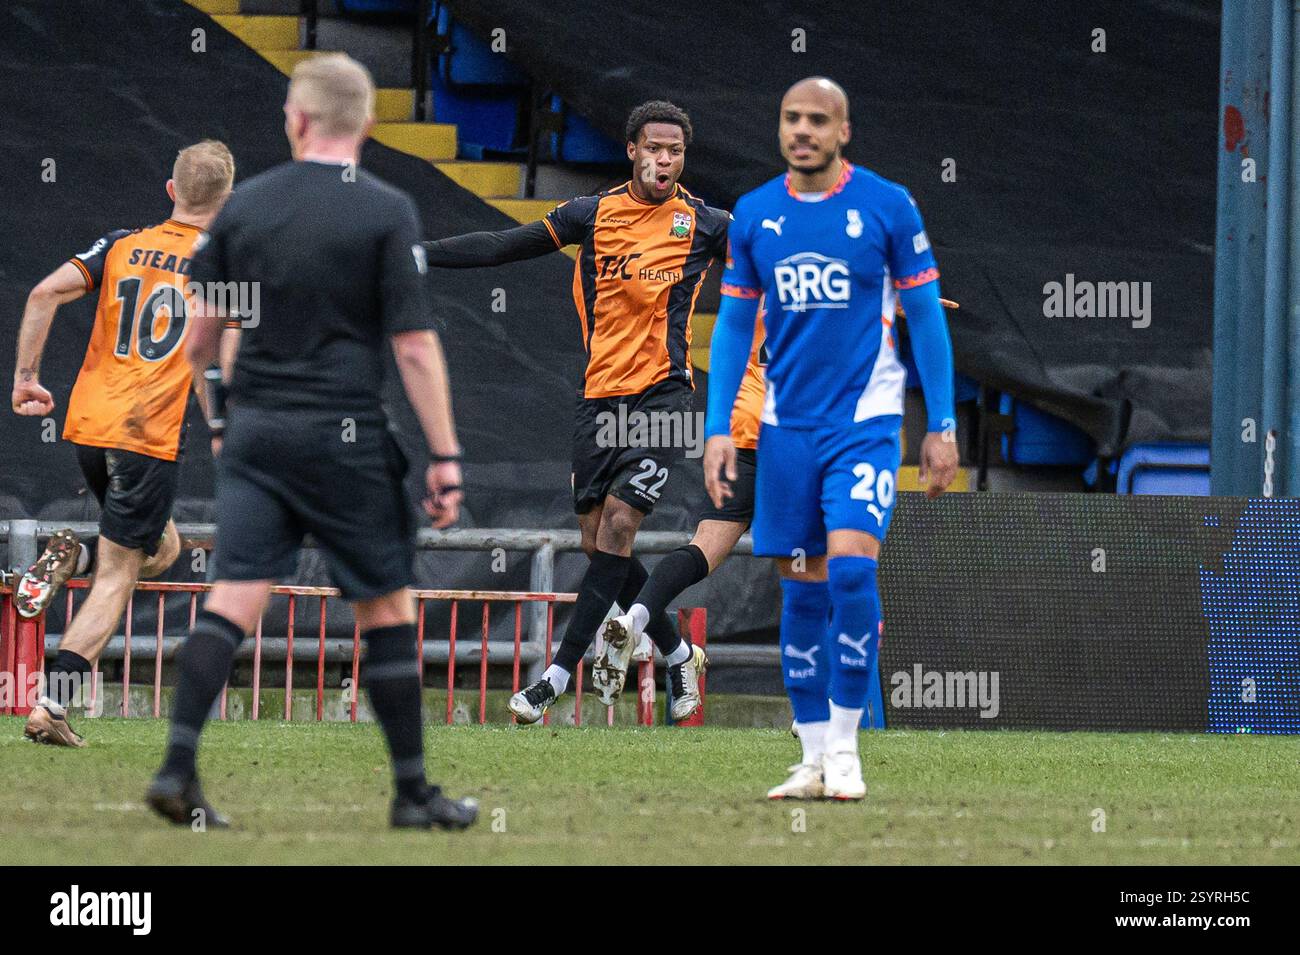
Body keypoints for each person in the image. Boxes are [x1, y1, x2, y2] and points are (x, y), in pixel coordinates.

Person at [145, 54, 476, 831]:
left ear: (295, 120)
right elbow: (416, 347)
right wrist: (447, 456)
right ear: (365, 124)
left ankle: (177, 765)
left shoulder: (245, 207)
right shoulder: (386, 210)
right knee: (387, 608)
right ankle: (410, 790)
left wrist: (223, 418)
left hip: (258, 434)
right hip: (345, 434)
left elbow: (198, 341)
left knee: (230, 601)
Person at [421, 101, 727, 724]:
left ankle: (555, 678)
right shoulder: (593, 213)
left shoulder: (704, 223)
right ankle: (678, 650)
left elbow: (784, 253)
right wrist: (419, 255)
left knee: (619, 527)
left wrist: (875, 283)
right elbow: (505, 246)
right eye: (654, 148)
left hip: (664, 396)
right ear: (633, 150)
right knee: (598, 547)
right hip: (599, 399)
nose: (664, 160)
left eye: (675, 151)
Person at [703, 78, 959, 800]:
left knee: (850, 570)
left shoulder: (888, 205)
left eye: (818, 120)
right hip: (785, 429)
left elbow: (927, 319)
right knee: (801, 588)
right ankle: (812, 753)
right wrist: (720, 427)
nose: (803, 130)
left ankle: (846, 745)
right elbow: (730, 328)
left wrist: (939, 424)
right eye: (791, 118)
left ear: (843, 130)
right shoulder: (754, 215)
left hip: (866, 422)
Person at [10, 140, 236, 746]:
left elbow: (41, 293)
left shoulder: (119, 243)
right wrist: (224, 428)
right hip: (147, 435)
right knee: (122, 572)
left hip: (89, 425)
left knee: (161, 547)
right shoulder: (228, 265)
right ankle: (52, 705)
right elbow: (223, 357)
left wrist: (27, 379)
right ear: (228, 200)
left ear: (171, 190)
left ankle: (72, 554)